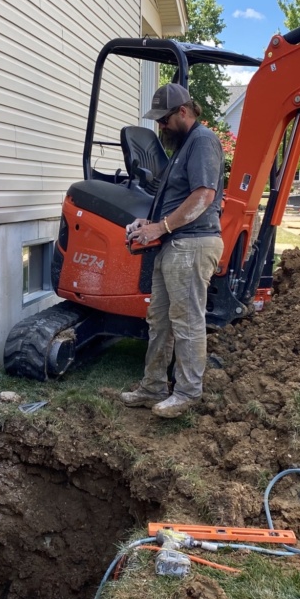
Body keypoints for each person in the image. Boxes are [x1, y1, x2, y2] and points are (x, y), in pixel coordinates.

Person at [121, 82, 225, 418]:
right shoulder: (183, 146)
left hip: (193, 243)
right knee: (160, 321)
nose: (160, 126)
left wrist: (161, 227)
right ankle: (152, 386)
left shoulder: (203, 141)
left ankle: (187, 393)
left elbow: (203, 196)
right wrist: (146, 222)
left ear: (184, 111)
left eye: (164, 119)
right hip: (176, 243)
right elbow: (177, 197)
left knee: (187, 321)